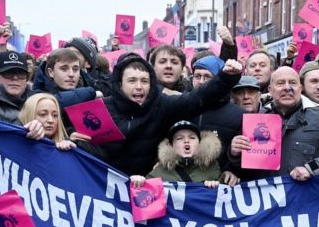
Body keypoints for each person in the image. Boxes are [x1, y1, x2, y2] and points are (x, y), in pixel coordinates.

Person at [101, 53, 242, 176]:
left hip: (149, 188)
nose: (139, 86)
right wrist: (78, 141)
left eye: (144, 81)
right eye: (132, 80)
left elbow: (197, 98)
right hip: (108, 188)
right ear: (119, 84)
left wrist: (225, 78)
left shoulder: (162, 105)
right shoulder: (101, 109)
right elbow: (88, 146)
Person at [230, 66, 319, 181]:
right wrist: (235, 154)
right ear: (270, 89)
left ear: (300, 88)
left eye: (292, 82)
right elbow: (245, 173)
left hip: (305, 204)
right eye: (280, 83)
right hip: (270, 205)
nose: (287, 88)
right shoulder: (255, 123)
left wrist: (312, 168)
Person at [130, 120, 236, 188]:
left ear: (199, 144)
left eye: (192, 137)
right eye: (180, 138)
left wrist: (218, 185)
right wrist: (139, 183)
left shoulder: (212, 167)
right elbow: (145, 203)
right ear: (171, 146)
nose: (186, 141)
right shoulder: (158, 173)